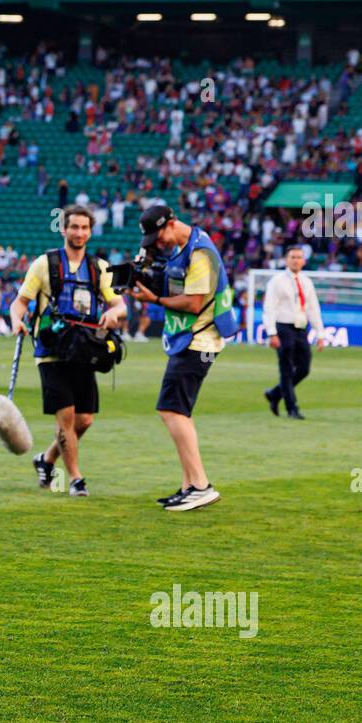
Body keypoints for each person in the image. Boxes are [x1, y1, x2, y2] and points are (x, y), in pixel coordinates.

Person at [9, 206, 127, 498]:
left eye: (85, 228)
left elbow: (119, 305)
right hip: (52, 351)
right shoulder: (44, 264)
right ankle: (76, 478)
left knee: (84, 420)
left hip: (85, 350)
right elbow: (20, 302)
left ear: (90, 230)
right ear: (64, 229)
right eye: (74, 227)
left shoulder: (98, 267)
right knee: (66, 417)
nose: (79, 233)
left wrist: (116, 315)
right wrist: (16, 320)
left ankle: (47, 460)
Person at [129, 205, 238, 512]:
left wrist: (156, 300)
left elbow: (193, 302)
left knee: (170, 410)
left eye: (158, 235)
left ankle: (201, 486)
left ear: (172, 223)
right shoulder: (183, 247)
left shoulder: (200, 253)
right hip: (191, 339)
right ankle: (189, 485)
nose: (157, 243)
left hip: (198, 338)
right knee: (179, 412)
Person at [261, 245, 324, 419]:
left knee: (304, 368)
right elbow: (269, 308)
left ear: (304, 261)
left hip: (301, 328)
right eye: (292, 257)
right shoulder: (277, 281)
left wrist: (320, 333)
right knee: (287, 369)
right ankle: (292, 408)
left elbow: (313, 308)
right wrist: (272, 333)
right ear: (286, 260)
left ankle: (275, 394)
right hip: (283, 327)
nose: (296, 260)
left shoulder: (306, 281)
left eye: (299, 257)